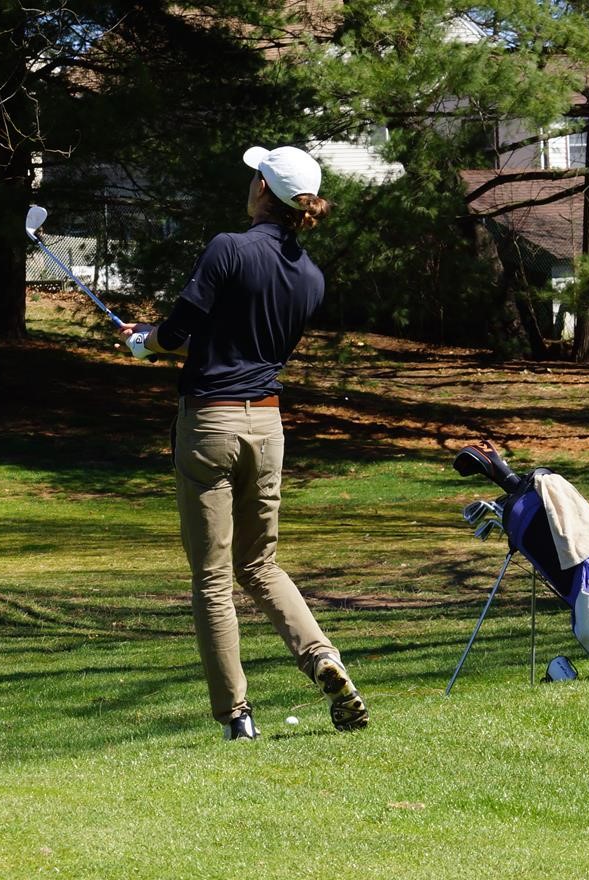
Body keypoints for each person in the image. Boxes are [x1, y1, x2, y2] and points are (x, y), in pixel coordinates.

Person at [120, 145, 368, 741]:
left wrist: (146, 342)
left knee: (213, 578)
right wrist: (158, 339)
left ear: (262, 188)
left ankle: (237, 716)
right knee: (260, 564)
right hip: (268, 427)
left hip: (211, 424)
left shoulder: (228, 247)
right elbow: (237, 341)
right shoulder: (311, 277)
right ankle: (321, 656)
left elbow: (179, 331)